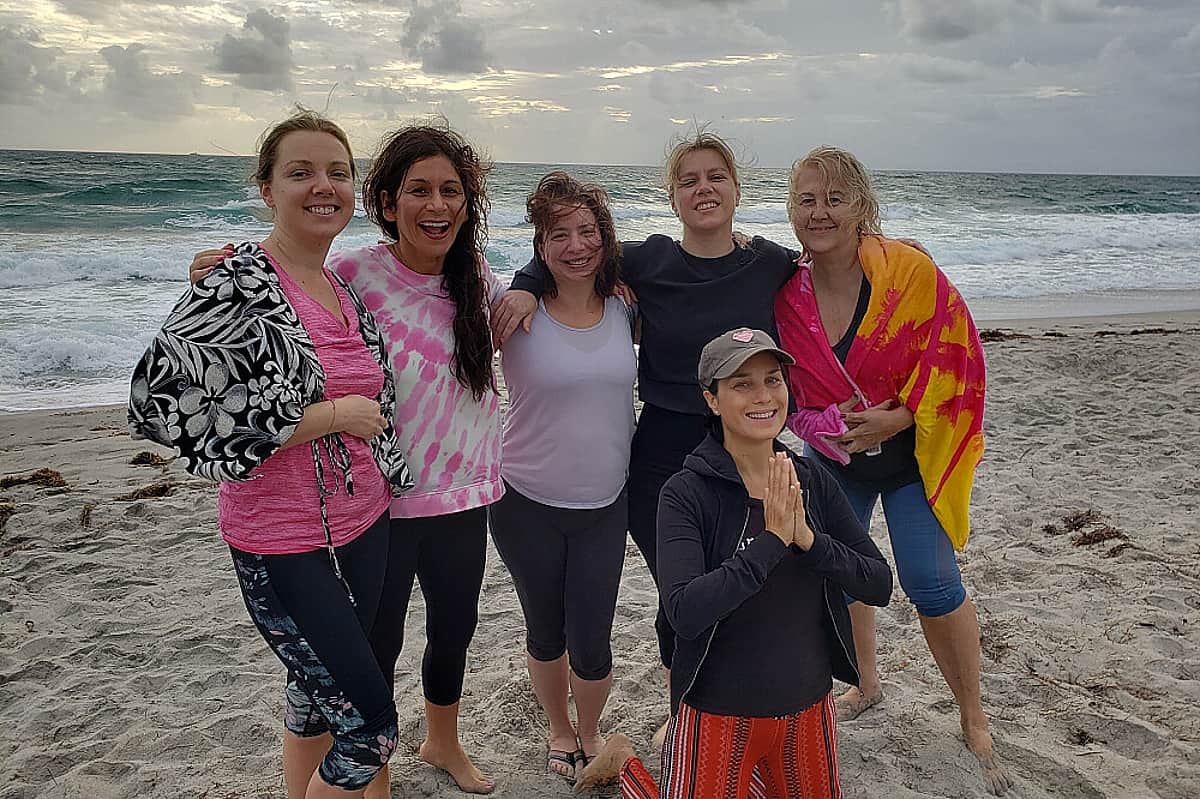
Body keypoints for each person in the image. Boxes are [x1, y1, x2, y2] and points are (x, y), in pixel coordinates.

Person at [189, 124, 502, 795]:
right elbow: (281, 297)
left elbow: (548, 303)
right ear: (386, 201)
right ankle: (371, 772)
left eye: (451, 190)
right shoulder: (354, 272)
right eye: (419, 189)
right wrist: (221, 271)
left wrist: (572, 287)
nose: (436, 203)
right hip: (379, 505)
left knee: (455, 631)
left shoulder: (478, 280)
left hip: (460, 496)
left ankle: (442, 741)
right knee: (370, 653)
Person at [130, 110, 413, 799]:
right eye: (301, 172)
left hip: (364, 520)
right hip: (281, 540)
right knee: (371, 727)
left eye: (338, 172)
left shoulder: (339, 284)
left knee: (319, 693)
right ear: (265, 187)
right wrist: (331, 416)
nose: (324, 185)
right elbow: (161, 406)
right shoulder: (236, 281)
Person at [493, 132, 798, 697]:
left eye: (716, 176)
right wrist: (526, 287)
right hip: (663, 455)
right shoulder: (647, 261)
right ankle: (687, 709)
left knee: (748, 583)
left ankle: (731, 700)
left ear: (736, 188)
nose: (703, 188)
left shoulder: (771, 262)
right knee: (683, 593)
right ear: (672, 196)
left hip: (748, 451)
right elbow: (571, 254)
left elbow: (830, 270)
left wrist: (890, 248)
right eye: (688, 180)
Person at [773, 146, 1011, 795]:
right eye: (806, 199)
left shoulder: (907, 270)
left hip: (909, 458)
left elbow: (960, 353)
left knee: (930, 581)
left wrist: (900, 417)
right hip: (838, 460)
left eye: (833, 198)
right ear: (792, 211)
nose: (819, 211)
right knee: (845, 572)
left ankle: (972, 711)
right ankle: (868, 684)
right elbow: (780, 382)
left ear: (859, 206)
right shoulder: (785, 291)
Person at [591, 327, 892, 798]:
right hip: (716, 712)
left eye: (773, 380)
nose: (763, 396)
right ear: (712, 400)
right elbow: (685, 611)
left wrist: (810, 542)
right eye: (742, 384)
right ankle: (626, 761)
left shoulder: (813, 482)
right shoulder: (685, 494)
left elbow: (878, 584)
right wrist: (772, 541)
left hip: (807, 710)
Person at [486, 172, 636, 782]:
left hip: (606, 500)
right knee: (545, 628)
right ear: (539, 246)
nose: (577, 246)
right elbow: (422, 289)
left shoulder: (628, 303)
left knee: (593, 635)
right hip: (524, 500)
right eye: (558, 235)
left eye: (587, 231)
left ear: (605, 237)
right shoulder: (513, 312)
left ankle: (592, 729)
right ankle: (558, 727)